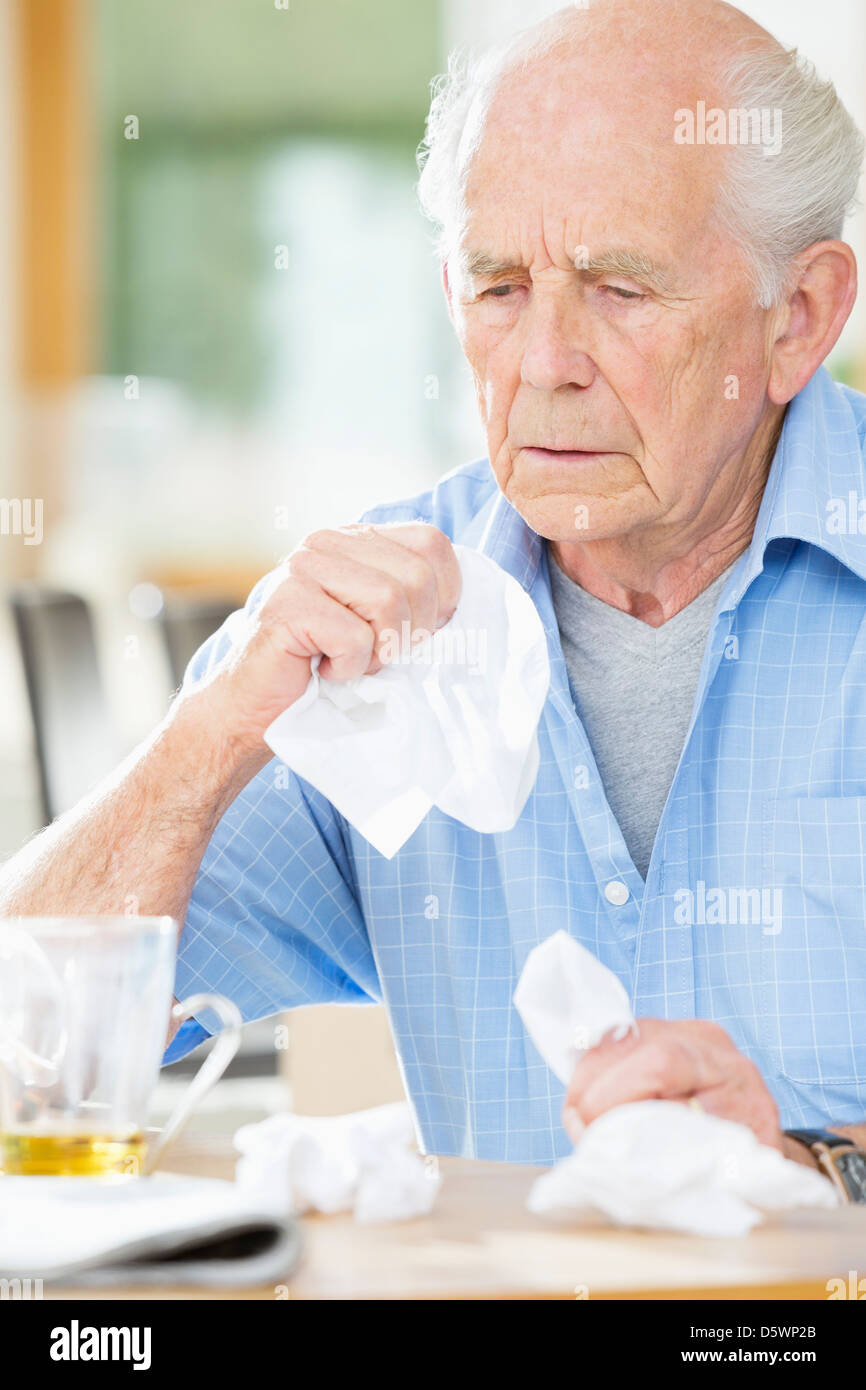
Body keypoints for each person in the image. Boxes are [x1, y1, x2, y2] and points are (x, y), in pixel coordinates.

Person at [4, 0, 866, 1180]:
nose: (543, 364)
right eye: (497, 286)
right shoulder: (378, 629)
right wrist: (206, 740)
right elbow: (27, 1059)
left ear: (799, 317)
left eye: (620, 289)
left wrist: (810, 1167)